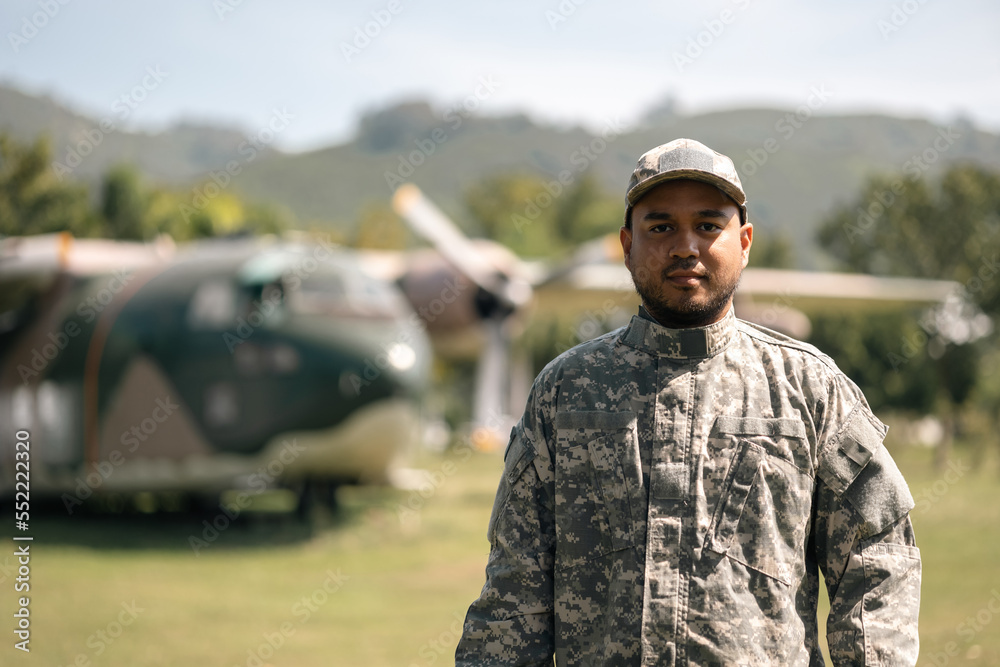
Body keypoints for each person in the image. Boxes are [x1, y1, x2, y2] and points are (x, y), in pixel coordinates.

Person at [454, 138, 920, 666]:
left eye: (707, 225)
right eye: (660, 227)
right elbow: (515, 592)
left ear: (743, 242)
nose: (684, 246)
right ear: (627, 245)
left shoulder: (809, 389)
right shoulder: (566, 392)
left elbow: (877, 556)